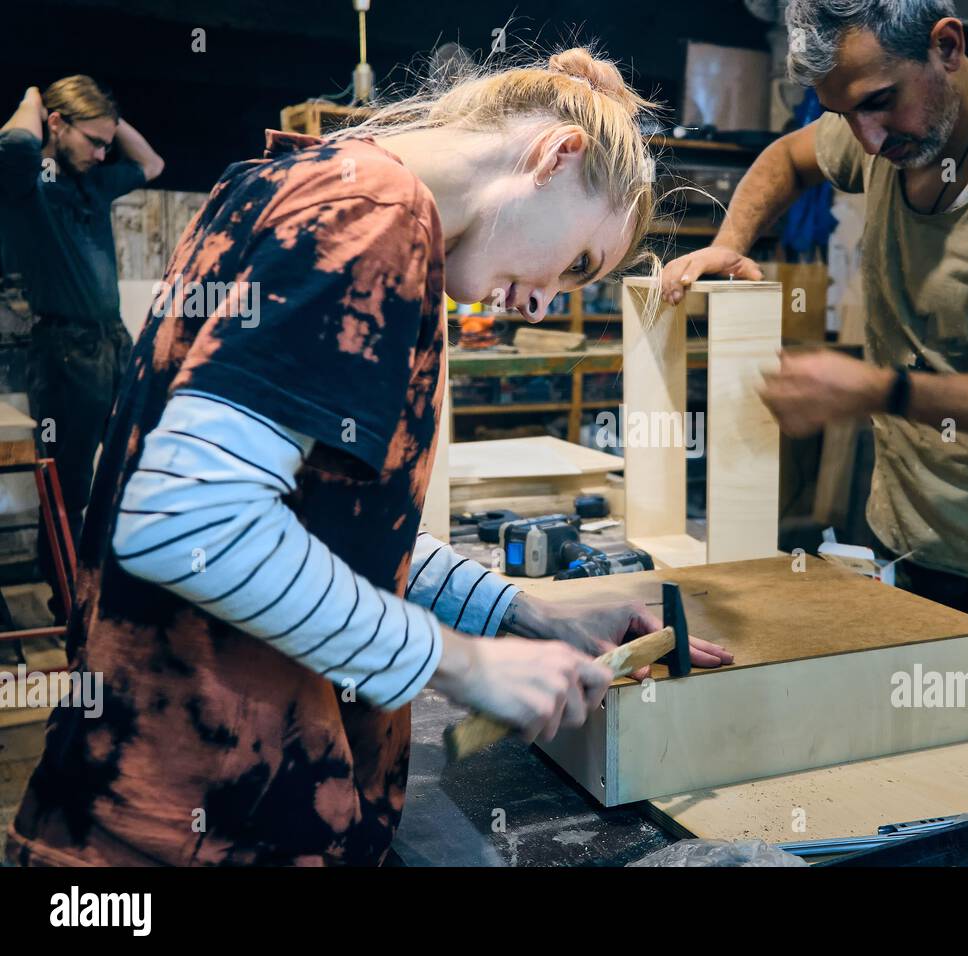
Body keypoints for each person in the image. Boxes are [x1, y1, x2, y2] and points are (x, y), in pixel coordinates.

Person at [6, 48, 730, 868]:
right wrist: (463, 665)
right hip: (193, 825)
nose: (541, 299)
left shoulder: (308, 183)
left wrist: (519, 617)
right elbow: (187, 521)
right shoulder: (375, 214)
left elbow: (313, 520)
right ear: (556, 155)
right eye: (575, 265)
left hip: (164, 802)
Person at [661, 1, 968, 642]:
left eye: (880, 101)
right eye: (843, 114)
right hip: (909, 543)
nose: (868, 140)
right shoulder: (887, 132)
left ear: (947, 46)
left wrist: (880, 390)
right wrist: (731, 241)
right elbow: (788, 158)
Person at [0, 77, 165, 619]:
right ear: (55, 125)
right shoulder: (29, 185)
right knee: (69, 482)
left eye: (105, 142)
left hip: (113, 342)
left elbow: (153, 163)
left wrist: (108, 125)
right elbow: (17, 143)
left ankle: (115, 586)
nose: (102, 152)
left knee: (134, 465)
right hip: (63, 349)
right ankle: (69, 602)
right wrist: (31, 97)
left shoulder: (90, 184)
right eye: (91, 140)